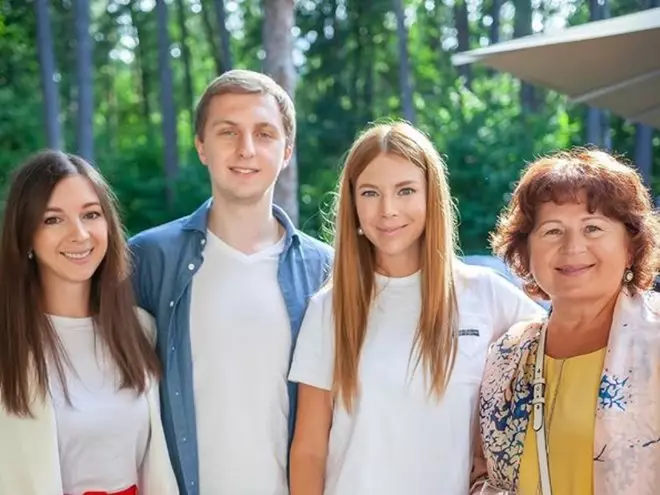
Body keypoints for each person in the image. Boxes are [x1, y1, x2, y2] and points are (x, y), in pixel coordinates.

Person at [287, 121, 544, 495]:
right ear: (353, 204)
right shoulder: (329, 309)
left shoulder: (487, 296)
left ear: (431, 197)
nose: (388, 210)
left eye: (405, 190)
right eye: (370, 193)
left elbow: (561, 370)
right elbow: (309, 450)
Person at [129, 69, 333, 495]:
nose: (246, 149)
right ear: (201, 146)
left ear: (287, 151)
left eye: (264, 133)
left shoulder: (326, 271)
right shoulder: (148, 260)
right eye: (228, 132)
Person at [472, 149, 660, 495]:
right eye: (552, 231)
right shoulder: (507, 354)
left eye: (593, 228)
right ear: (525, 252)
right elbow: (483, 475)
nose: (573, 247)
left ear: (631, 245)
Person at [0, 150, 177, 494]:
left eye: (91, 215)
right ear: (26, 237)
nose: (79, 234)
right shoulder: (7, 340)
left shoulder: (141, 330)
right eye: (53, 219)